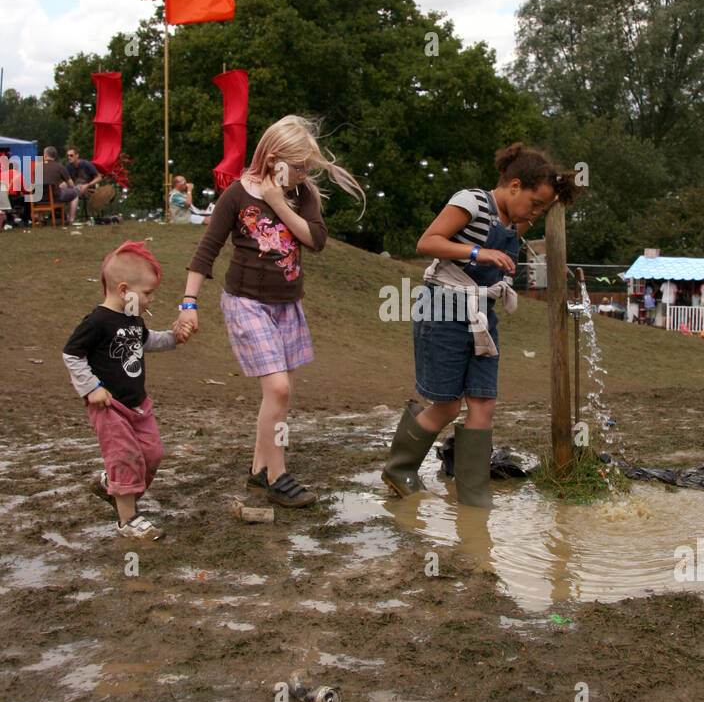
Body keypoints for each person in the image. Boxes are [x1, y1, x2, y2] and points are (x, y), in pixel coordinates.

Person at [177, 116, 364, 508]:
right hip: (246, 302)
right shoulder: (237, 195)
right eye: (297, 166)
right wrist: (189, 303)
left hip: (286, 306)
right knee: (278, 389)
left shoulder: (302, 193)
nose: (303, 173)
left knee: (279, 395)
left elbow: (316, 241)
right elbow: (206, 251)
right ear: (274, 158)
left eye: (306, 167)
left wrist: (280, 202)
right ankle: (279, 475)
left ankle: (260, 468)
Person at [381, 142, 577, 507]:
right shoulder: (472, 201)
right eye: (535, 203)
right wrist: (478, 252)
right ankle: (399, 468)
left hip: (482, 313)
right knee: (448, 406)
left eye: (542, 209)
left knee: (484, 404)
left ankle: (474, 496)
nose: (535, 213)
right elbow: (428, 241)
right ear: (514, 185)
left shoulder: (515, 221)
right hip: (443, 307)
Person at [61, 241, 189, 540]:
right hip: (109, 405)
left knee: (152, 454)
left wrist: (174, 338)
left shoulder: (132, 318)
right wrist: (92, 387)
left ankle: (114, 484)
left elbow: (145, 341)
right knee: (125, 456)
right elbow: (71, 354)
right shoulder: (98, 321)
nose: (151, 299)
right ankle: (127, 520)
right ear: (122, 290)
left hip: (138, 405)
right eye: (147, 293)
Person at [37, 146, 77, 219]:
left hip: (39, 198)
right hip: (55, 196)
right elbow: (71, 185)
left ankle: (41, 218)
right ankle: (71, 219)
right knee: (75, 194)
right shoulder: (60, 167)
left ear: (45, 155)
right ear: (55, 156)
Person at [65, 147, 100, 222]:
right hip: (75, 187)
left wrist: (88, 185)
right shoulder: (68, 166)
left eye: (71, 155)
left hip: (88, 188)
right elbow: (66, 180)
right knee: (62, 188)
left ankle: (71, 218)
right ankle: (60, 215)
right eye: (68, 156)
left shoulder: (86, 164)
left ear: (77, 155)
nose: (69, 157)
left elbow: (99, 177)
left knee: (74, 191)